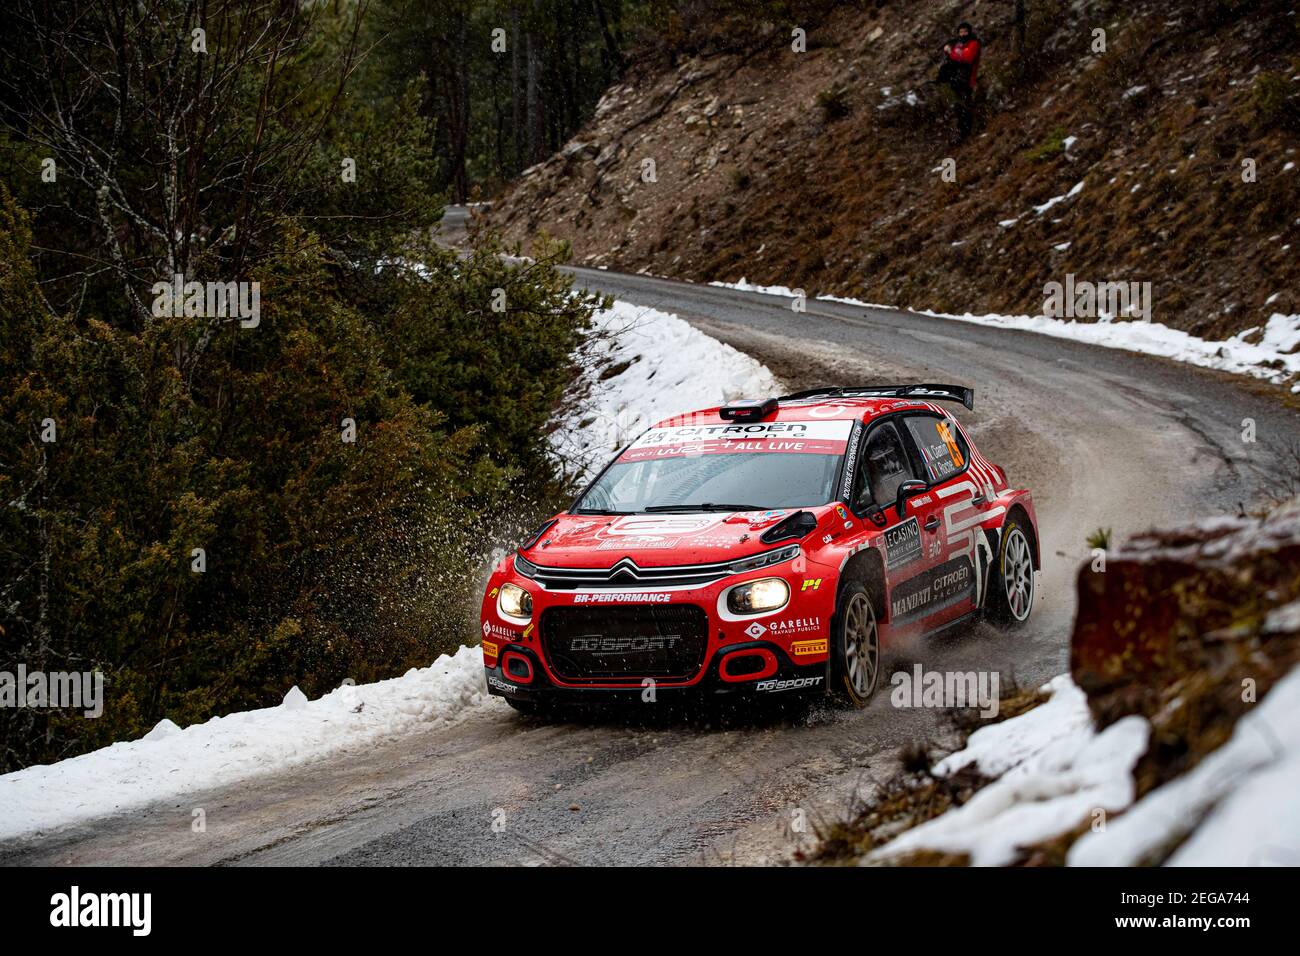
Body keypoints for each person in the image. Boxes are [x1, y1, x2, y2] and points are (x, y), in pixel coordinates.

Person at [938, 21, 981, 141]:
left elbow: (966, 57)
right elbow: (956, 58)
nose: (962, 34)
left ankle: (966, 132)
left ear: (969, 32)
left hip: (967, 80)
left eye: (965, 32)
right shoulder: (959, 43)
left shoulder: (974, 43)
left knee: (964, 106)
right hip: (957, 80)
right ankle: (962, 132)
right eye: (960, 32)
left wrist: (950, 52)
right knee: (959, 107)